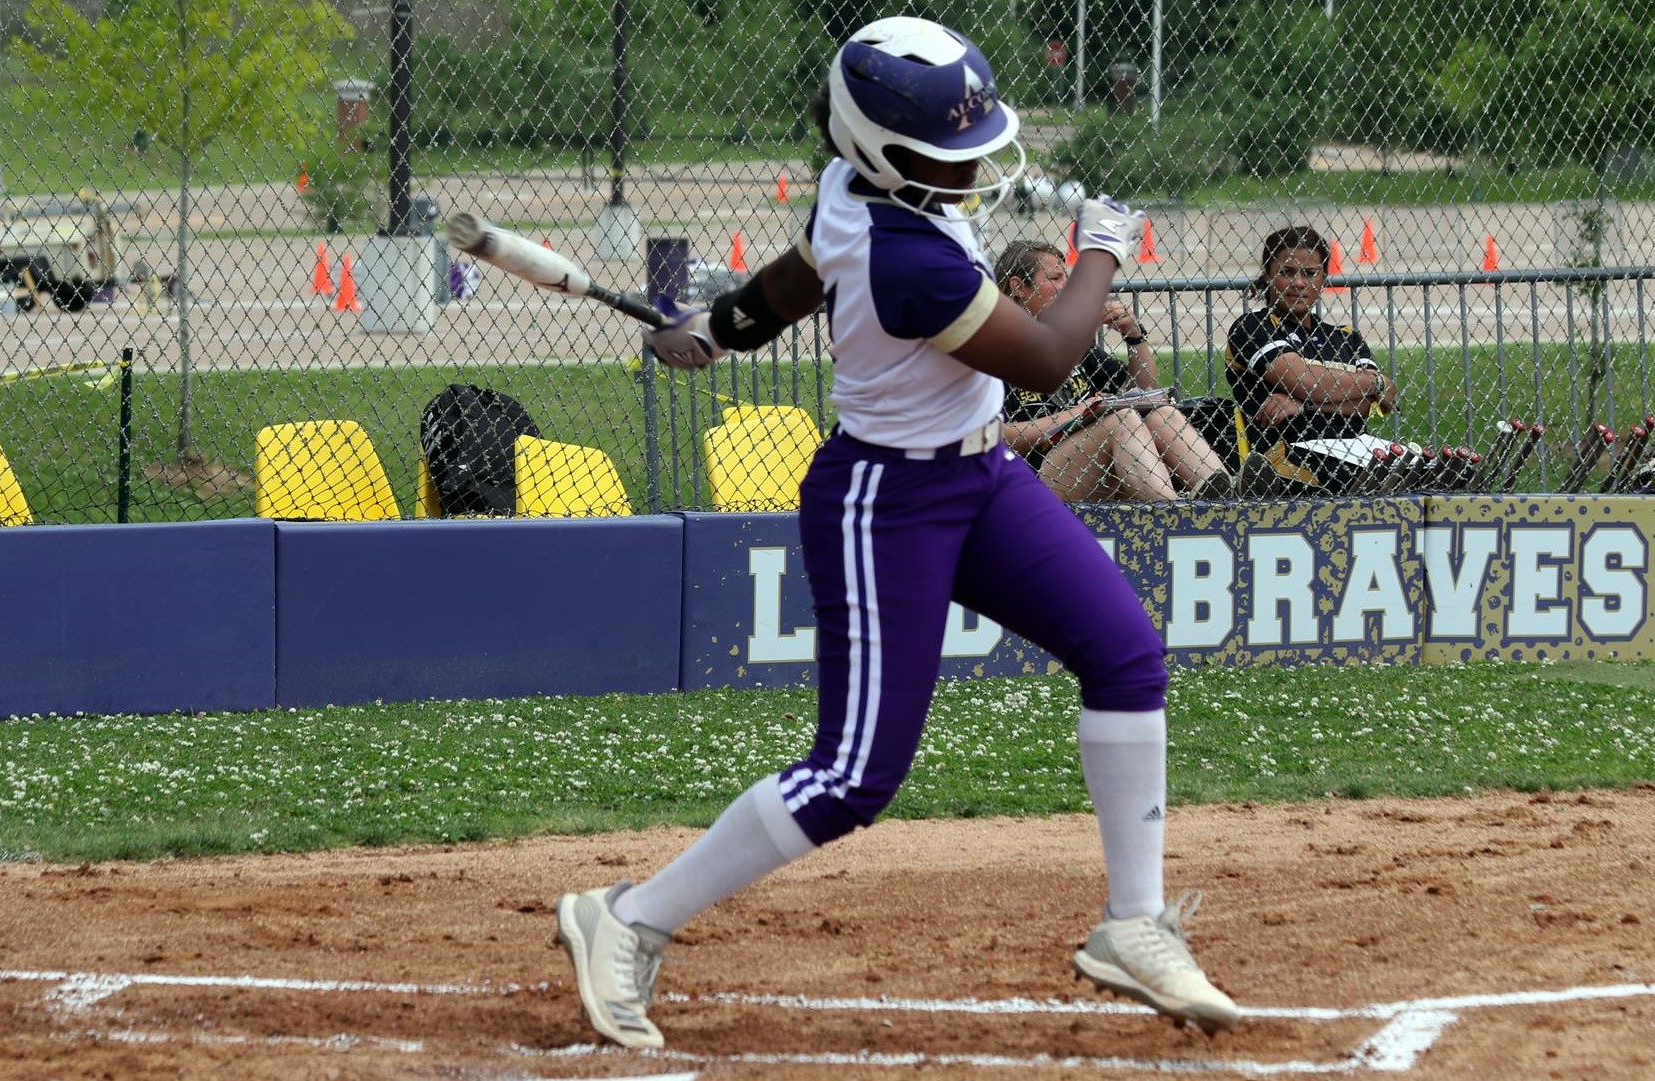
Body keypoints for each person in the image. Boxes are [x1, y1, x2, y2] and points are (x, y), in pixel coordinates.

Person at [553, 16, 1239, 1051]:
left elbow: (791, 279)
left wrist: (720, 327)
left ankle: (1133, 923)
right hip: (886, 503)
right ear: (880, 150)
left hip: (979, 479)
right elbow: (1051, 359)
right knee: (854, 775)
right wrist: (1100, 251)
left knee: (1125, 653)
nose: (968, 163)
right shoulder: (910, 255)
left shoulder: (860, 193)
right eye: (942, 148)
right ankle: (629, 916)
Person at [993, 239, 1234, 501]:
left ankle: (1227, 496)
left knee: (1160, 413)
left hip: (1091, 467)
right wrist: (1077, 414)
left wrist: (1134, 337)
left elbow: (1145, 389)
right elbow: (995, 434)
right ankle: (1173, 513)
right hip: (1033, 477)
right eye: (1055, 278)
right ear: (1019, 287)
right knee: (1120, 419)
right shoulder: (993, 349)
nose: (1067, 287)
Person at [1226, 225, 1398, 497]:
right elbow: (1306, 381)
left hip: (1355, 451)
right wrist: (1362, 386)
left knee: (1438, 471)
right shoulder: (1252, 327)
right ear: (1268, 275)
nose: (1298, 283)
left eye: (1309, 273)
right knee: (1352, 480)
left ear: (1323, 279)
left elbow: (1376, 400)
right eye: (1286, 272)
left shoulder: (1344, 337)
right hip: (1286, 458)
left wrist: (1301, 404)